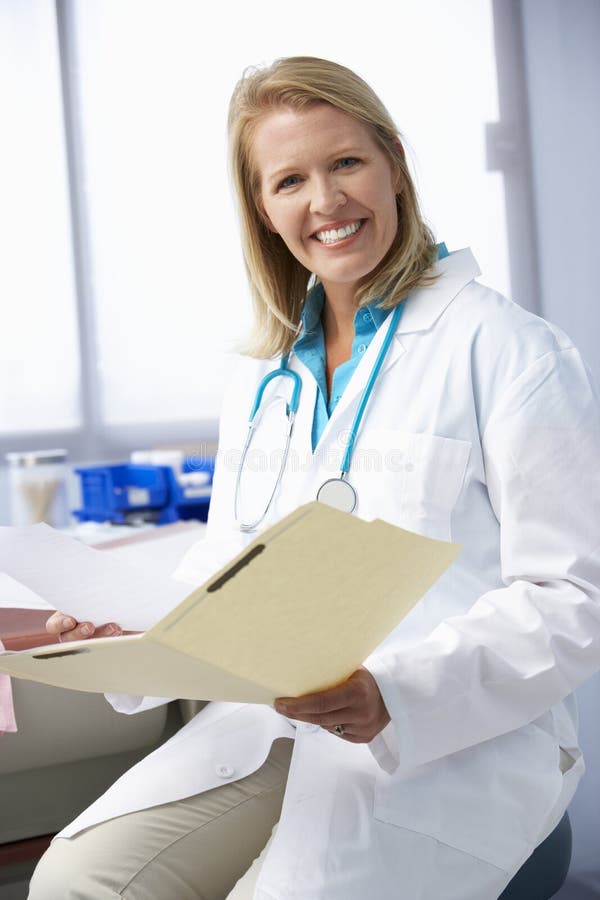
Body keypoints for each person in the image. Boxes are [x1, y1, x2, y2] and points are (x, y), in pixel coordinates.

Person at [29, 56, 600, 900]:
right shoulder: (264, 383)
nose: (325, 203)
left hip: (449, 740)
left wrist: (393, 691)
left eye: (346, 164)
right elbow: (227, 567)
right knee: (76, 882)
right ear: (262, 209)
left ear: (395, 166)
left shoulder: (508, 350)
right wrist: (127, 633)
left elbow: (572, 596)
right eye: (289, 180)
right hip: (276, 728)